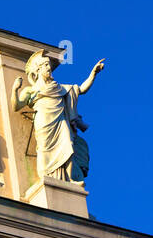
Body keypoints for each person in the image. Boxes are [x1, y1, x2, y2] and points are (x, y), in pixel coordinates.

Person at [12, 51, 104, 182]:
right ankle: (46, 176)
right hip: (44, 120)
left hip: (60, 121)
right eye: (45, 65)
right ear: (37, 70)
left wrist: (93, 74)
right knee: (44, 148)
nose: (49, 68)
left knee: (68, 146)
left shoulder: (59, 87)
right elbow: (16, 106)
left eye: (48, 65)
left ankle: (70, 179)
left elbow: (81, 89)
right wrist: (15, 90)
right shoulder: (31, 90)